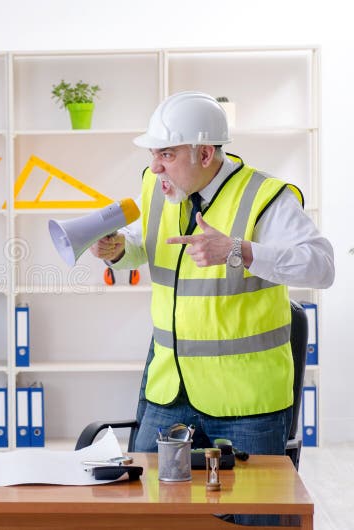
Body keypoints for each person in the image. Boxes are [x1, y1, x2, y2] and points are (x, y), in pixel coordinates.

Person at [90, 91, 334, 458]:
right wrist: (119, 249)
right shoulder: (158, 188)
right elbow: (144, 243)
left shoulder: (264, 197)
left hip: (246, 403)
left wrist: (239, 250)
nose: (155, 167)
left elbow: (322, 267)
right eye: (153, 154)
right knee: (147, 495)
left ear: (204, 154)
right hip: (169, 392)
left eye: (166, 155)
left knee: (253, 499)